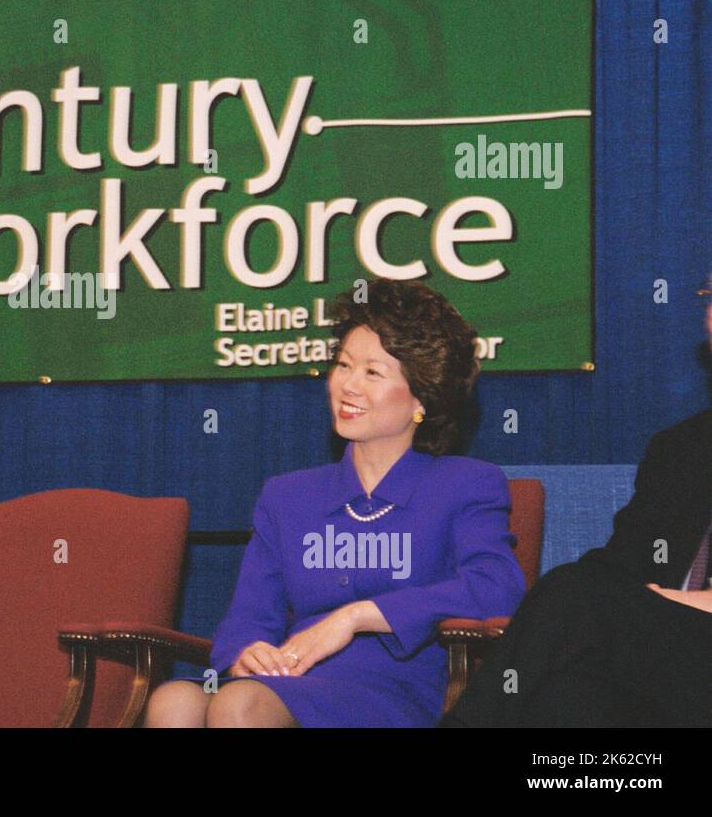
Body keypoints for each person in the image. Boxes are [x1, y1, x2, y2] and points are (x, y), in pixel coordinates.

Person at [145, 278, 526, 727]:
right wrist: (247, 653)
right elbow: (248, 617)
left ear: (420, 399)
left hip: (395, 691)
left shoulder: (466, 484)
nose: (348, 386)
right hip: (287, 679)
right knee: (175, 700)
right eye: (343, 366)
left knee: (239, 705)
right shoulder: (287, 496)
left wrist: (357, 616)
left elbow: (496, 587)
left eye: (372, 372)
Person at [441, 279, 712, 727]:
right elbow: (619, 569)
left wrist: (667, 601)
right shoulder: (681, 448)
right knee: (564, 693)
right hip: (667, 657)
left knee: (574, 597)